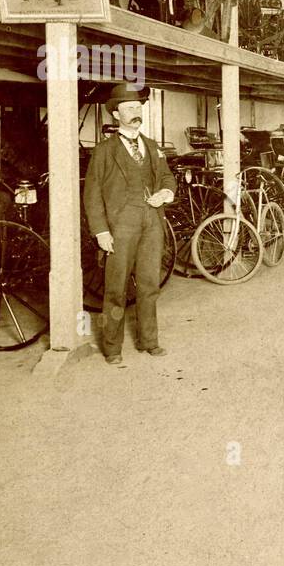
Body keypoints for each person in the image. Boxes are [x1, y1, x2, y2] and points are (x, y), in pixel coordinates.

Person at [83, 86, 177, 364]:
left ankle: (149, 340)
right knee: (115, 288)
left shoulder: (152, 146)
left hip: (151, 224)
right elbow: (92, 194)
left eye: (138, 108)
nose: (136, 113)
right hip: (119, 227)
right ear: (115, 114)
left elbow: (167, 177)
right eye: (129, 108)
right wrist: (100, 230)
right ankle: (112, 348)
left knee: (150, 284)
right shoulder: (103, 151)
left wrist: (166, 193)